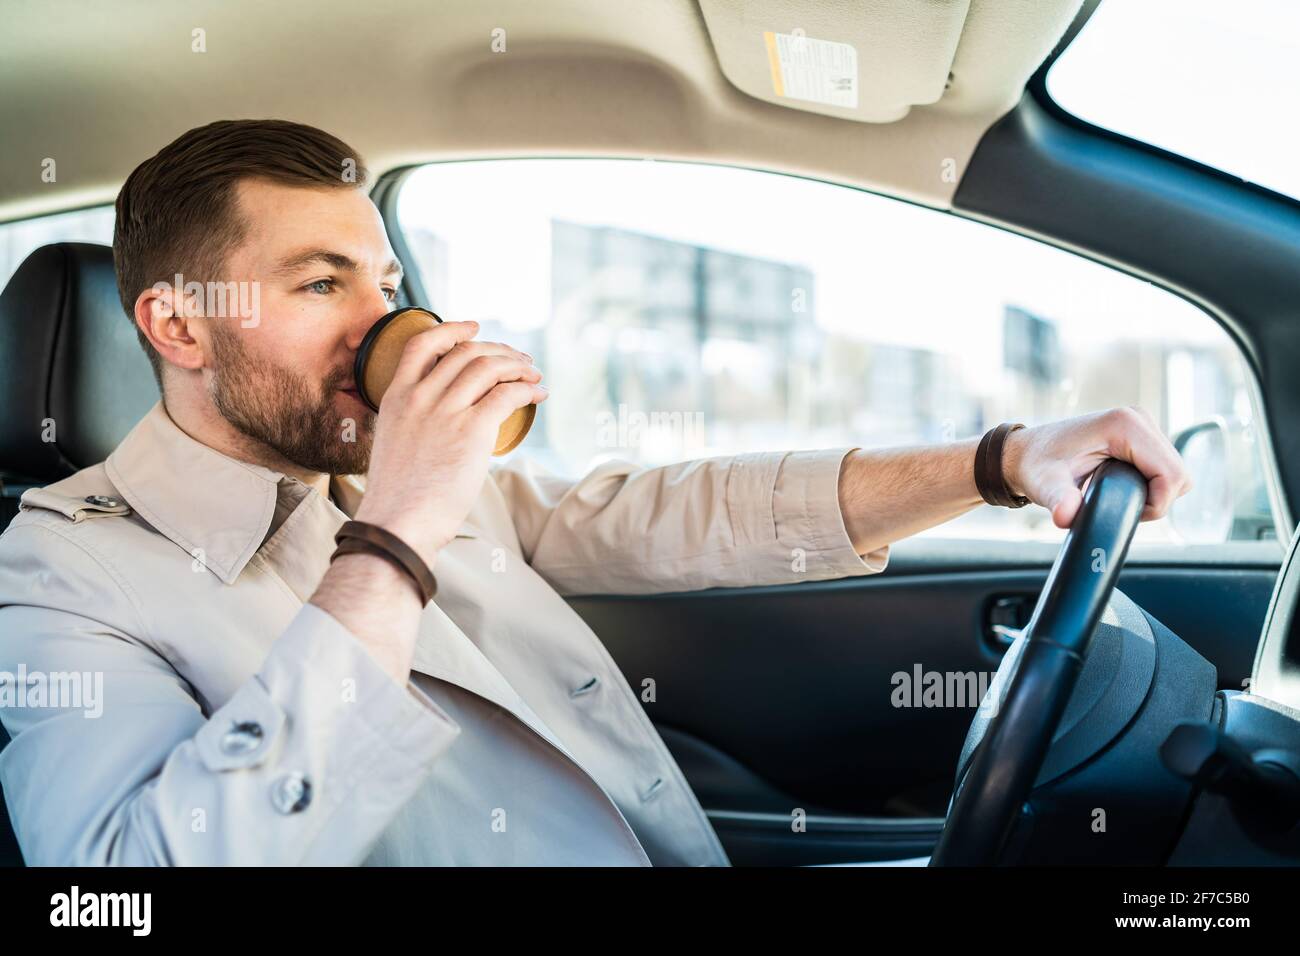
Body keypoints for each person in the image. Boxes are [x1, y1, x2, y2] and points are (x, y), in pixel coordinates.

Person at [0, 119, 1190, 865]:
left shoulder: (395, 479)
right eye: (322, 283)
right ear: (179, 326)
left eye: (386, 277)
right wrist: (398, 527)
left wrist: (997, 461)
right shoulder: (64, 567)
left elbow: (680, 509)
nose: (384, 320)